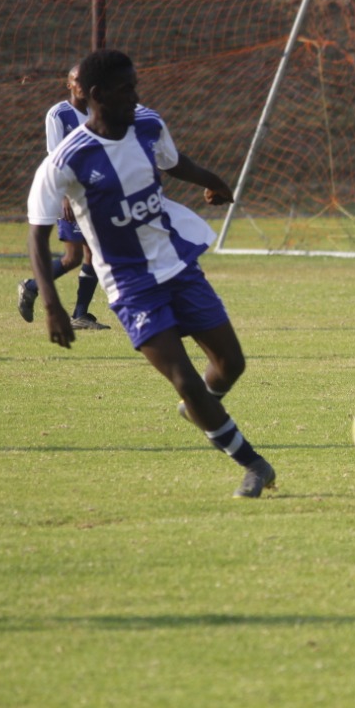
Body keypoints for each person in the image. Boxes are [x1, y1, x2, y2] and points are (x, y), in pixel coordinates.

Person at [25, 49, 276, 498]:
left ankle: (200, 408)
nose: (136, 95)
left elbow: (172, 162)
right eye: (127, 89)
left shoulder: (147, 124)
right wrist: (52, 305)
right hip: (130, 286)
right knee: (184, 378)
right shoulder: (67, 160)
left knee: (231, 364)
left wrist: (213, 180)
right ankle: (253, 464)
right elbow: (37, 238)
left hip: (177, 267)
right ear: (98, 96)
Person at [17, 64, 110, 330]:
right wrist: (65, 197)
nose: (83, 84)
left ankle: (80, 313)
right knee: (73, 258)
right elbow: (55, 159)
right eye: (77, 80)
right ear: (68, 84)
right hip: (69, 194)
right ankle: (31, 286)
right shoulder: (59, 114)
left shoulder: (97, 112)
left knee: (92, 253)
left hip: (93, 193)